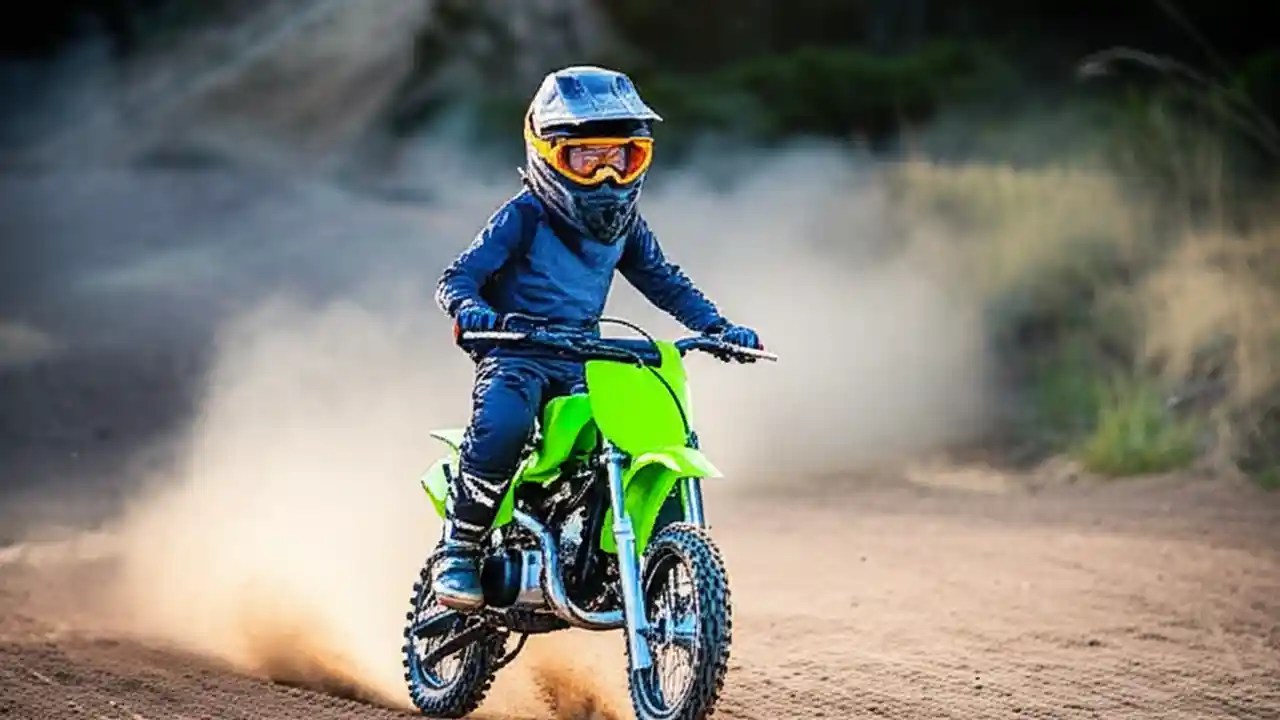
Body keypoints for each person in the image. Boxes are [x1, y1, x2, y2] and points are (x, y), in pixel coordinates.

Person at [432, 65, 763, 610]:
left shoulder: (625, 227)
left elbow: (664, 281)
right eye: (586, 159)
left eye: (622, 157)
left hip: (584, 359)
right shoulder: (524, 216)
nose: (607, 176)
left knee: (640, 430)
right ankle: (460, 550)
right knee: (504, 424)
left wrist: (717, 328)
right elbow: (457, 278)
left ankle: (619, 555)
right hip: (517, 355)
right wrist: (473, 310)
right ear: (547, 155)